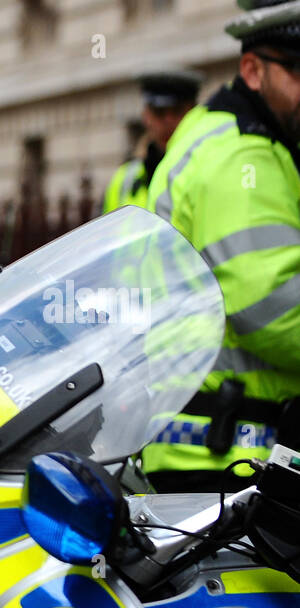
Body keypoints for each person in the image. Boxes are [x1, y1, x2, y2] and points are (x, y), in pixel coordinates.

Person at [142, 1, 300, 492]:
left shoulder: (219, 134)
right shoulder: (242, 155)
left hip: (206, 443)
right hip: (231, 454)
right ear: (253, 70)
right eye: (297, 72)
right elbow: (272, 303)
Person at [101, 68, 204, 213]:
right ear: (146, 115)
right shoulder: (123, 181)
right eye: (159, 112)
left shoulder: (207, 170)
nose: (168, 121)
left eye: (177, 111)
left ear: (194, 113)